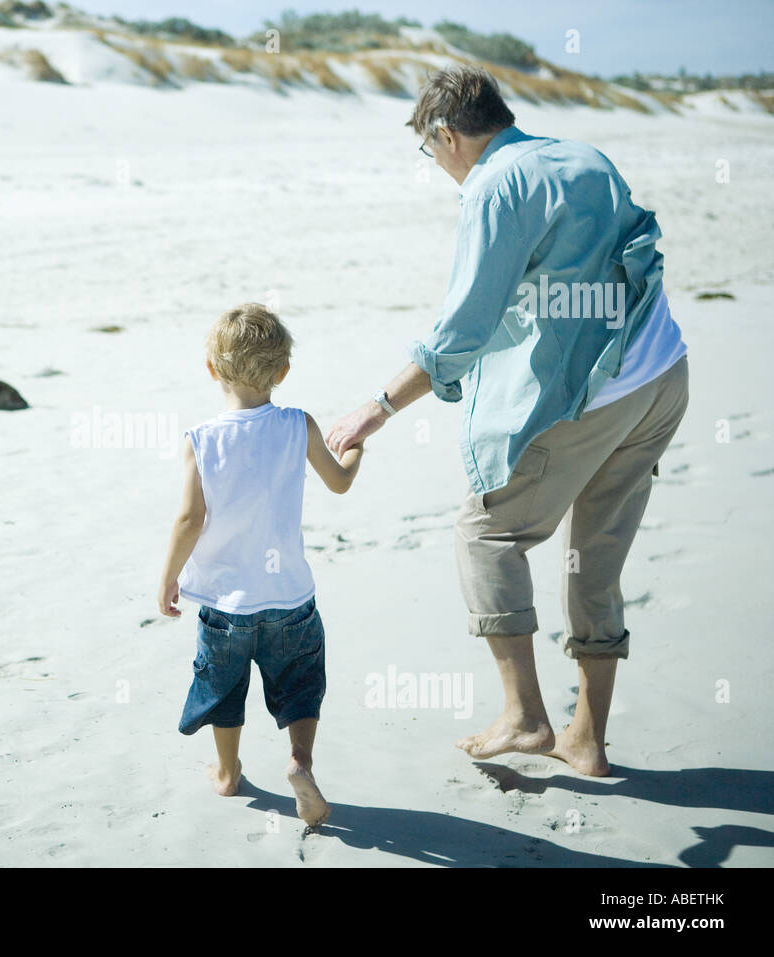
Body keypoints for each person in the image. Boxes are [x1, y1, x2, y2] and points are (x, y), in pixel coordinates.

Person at [326, 65, 689, 777]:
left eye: (431, 154)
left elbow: (463, 326)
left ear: (447, 135)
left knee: (486, 531)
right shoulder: (582, 155)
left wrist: (379, 406)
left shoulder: (495, 184)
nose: (439, 169)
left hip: (603, 391)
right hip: (663, 372)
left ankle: (525, 716)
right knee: (594, 559)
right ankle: (586, 740)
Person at [158, 302, 363, 827]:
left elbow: (189, 518)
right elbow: (339, 482)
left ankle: (227, 773)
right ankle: (300, 761)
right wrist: (355, 448)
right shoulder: (298, 424)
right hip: (290, 598)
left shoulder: (201, 440)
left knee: (223, 689)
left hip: (225, 603)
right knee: (299, 683)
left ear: (211, 370)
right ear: (282, 372)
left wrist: (168, 578)